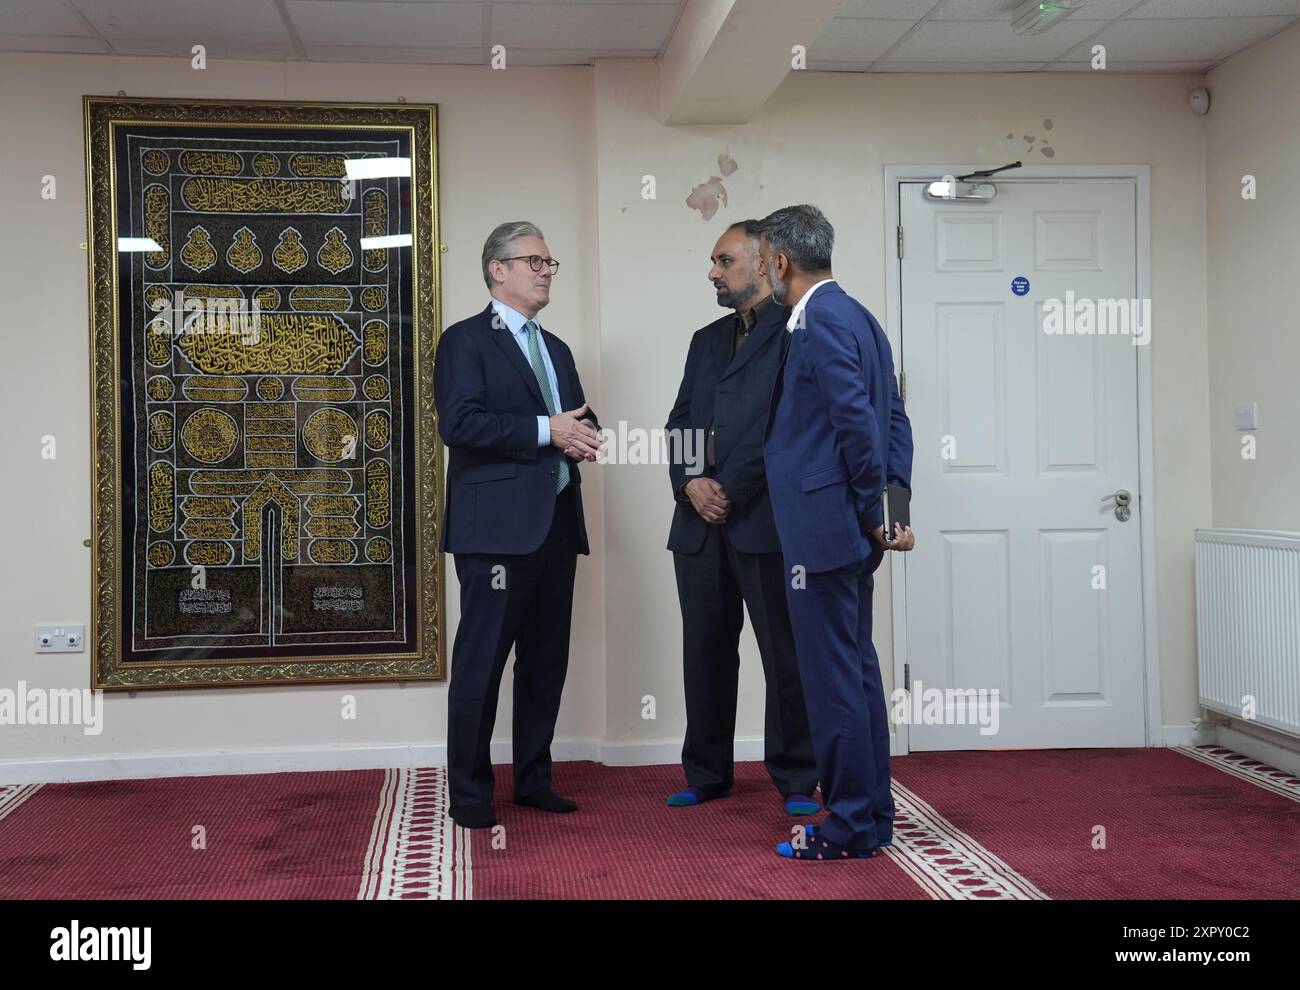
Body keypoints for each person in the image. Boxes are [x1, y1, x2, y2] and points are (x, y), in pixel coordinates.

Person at [758, 204, 915, 861]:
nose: (763, 272)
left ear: (782, 263)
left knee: (831, 683)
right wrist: (891, 509)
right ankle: (871, 818)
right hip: (849, 528)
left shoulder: (819, 320)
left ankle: (848, 827)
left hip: (825, 532)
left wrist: (866, 510)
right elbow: (896, 419)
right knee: (855, 675)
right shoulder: (859, 317)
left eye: (764, 261)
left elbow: (858, 422)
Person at [433, 221, 601, 830]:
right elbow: (461, 425)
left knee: (545, 661)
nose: (546, 271)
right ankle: (471, 794)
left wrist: (584, 436)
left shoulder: (556, 349)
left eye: (551, 263)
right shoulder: (465, 341)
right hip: (496, 533)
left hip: (556, 523)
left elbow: (578, 418)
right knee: (482, 662)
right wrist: (546, 431)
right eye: (534, 260)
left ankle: (533, 780)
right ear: (496, 269)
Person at [664, 220, 820, 816]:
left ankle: (798, 779)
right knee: (703, 650)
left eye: (723, 261)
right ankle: (706, 773)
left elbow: (785, 428)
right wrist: (690, 483)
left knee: (783, 653)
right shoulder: (705, 340)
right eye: (712, 261)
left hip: (767, 521)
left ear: (765, 263)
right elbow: (680, 421)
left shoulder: (799, 332)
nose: (713, 272)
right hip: (699, 525)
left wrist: (729, 486)